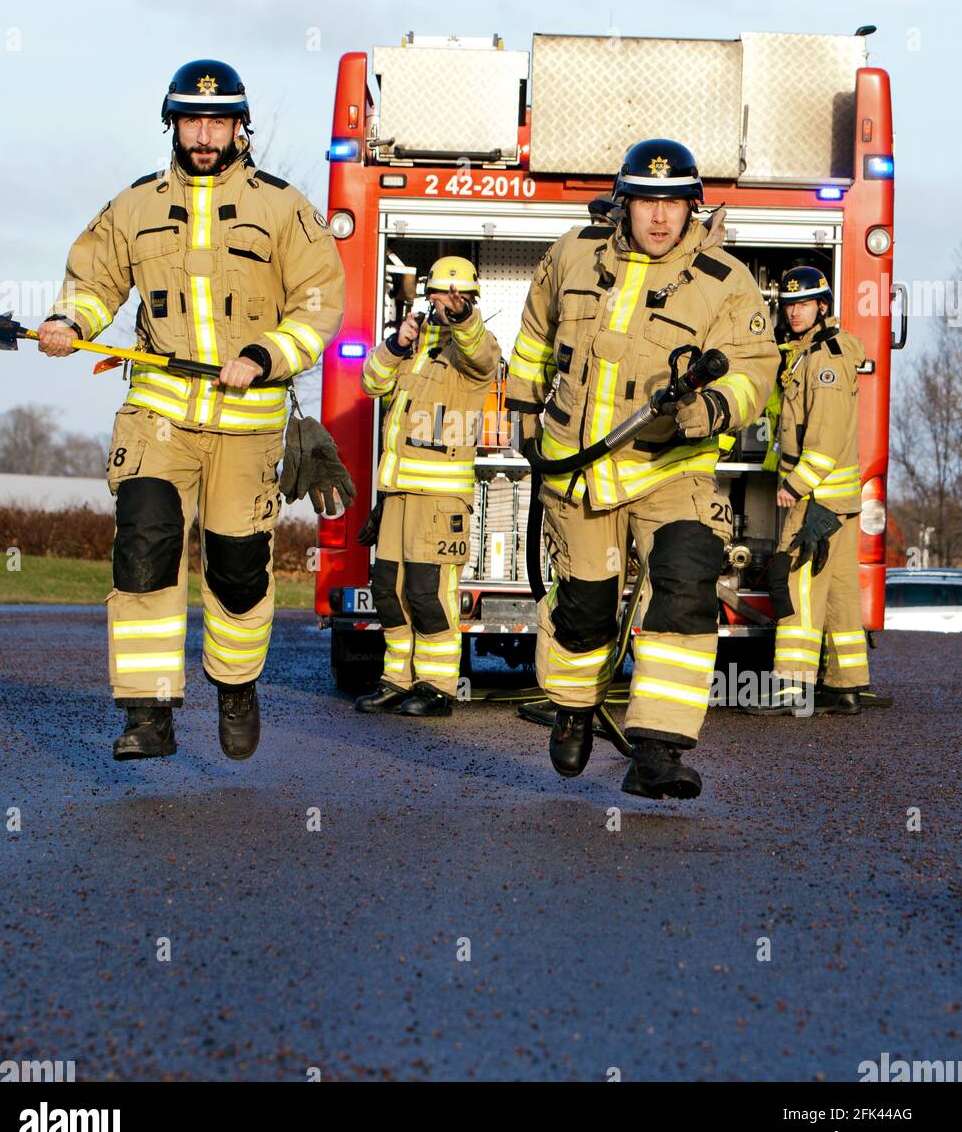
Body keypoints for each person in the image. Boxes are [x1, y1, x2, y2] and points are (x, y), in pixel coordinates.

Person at [38, 59, 345, 761]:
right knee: (143, 548)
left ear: (241, 129)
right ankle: (147, 711)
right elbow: (93, 282)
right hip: (158, 419)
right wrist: (68, 321)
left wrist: (266, 354)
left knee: (238, 573)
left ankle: (234, 684)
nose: (203, 135)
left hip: (248, 426)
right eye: (190, 121)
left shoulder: (284, 207)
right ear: (172, 126)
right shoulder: (135, 204)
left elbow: (320, 301)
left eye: (218, 122)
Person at [505, 139, 779, 799]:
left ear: (693, 207)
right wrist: (521, 410)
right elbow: (536, 333)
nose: (660, 218)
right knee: (583, 611)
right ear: (624, 203)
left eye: (675, 203)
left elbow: (753, 369)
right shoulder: (570, 254)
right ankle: (573, 706)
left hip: (672, 469)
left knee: (683, 593)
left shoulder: (724, 280)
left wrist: (709, 405)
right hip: (580, 475)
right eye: (648, 202)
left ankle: (656, 751)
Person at [354, 257, 500, 719]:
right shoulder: (416, 348)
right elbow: (371, 382)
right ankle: (396, 679)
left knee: (428, 594)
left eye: (450, 296)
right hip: (397, 493)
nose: (440, 302)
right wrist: (397, 344)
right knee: (388, 591)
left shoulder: (475, 350)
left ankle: (436, 686)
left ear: (468, 300)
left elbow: (480, 353)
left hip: (440, 497)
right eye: (436, 294)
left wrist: (462, 318)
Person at [763, 266, 869, 714]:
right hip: (837, 500)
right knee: (841, 590)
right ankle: (846, 686)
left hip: (816, 498)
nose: (794, 313)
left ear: (822, 306)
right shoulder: (817, 351)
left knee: (799, 586)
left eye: (803, 304)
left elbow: (824, 438)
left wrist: (796, 484)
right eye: (789, 305)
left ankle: (792, 688)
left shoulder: (823, 360)